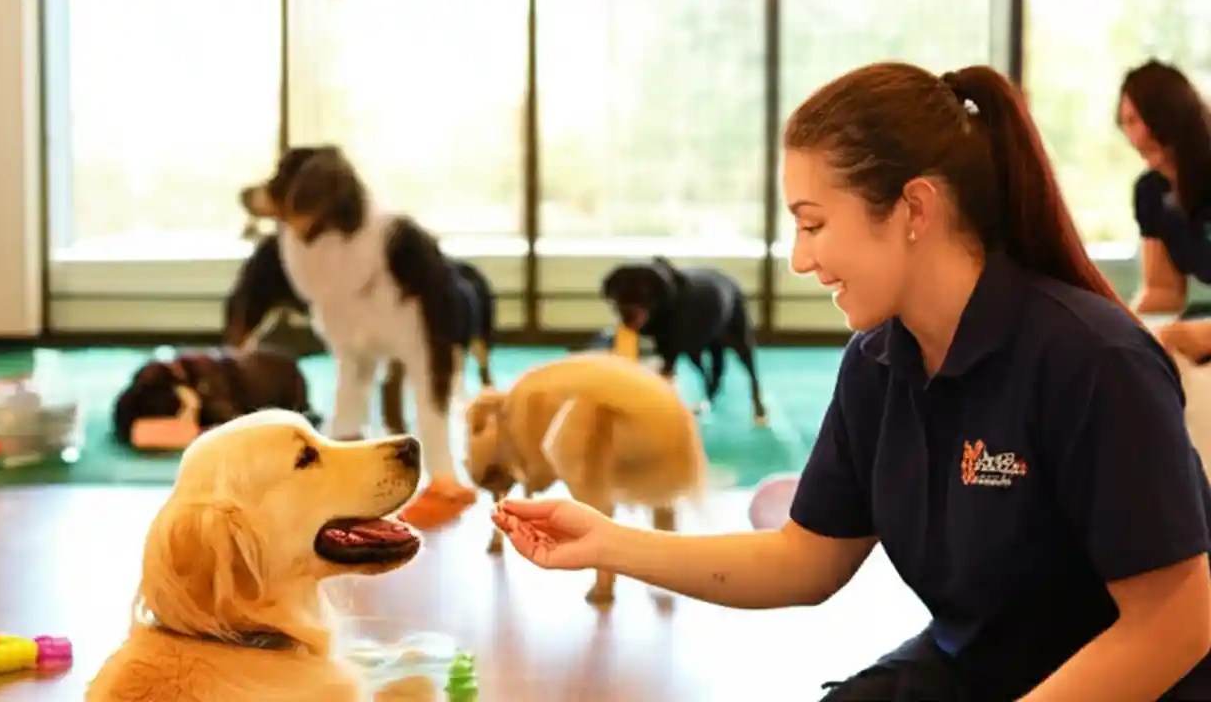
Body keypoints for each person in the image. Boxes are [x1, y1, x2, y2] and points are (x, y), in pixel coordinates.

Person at [491, 61, 1211, 701]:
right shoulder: (877, 365)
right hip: (978, 669)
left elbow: (1176, 624)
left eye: (813, 224)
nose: (801, 259)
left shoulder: (1092, 360)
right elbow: (805, 558)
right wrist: (608, 541)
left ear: (914, 210)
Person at [1117, 60, 1211, 359]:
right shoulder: (1150, 193)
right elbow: (1163, 290)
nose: (1136, 136)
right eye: (1126, 123)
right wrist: (1118, 325)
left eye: (1137, 120)